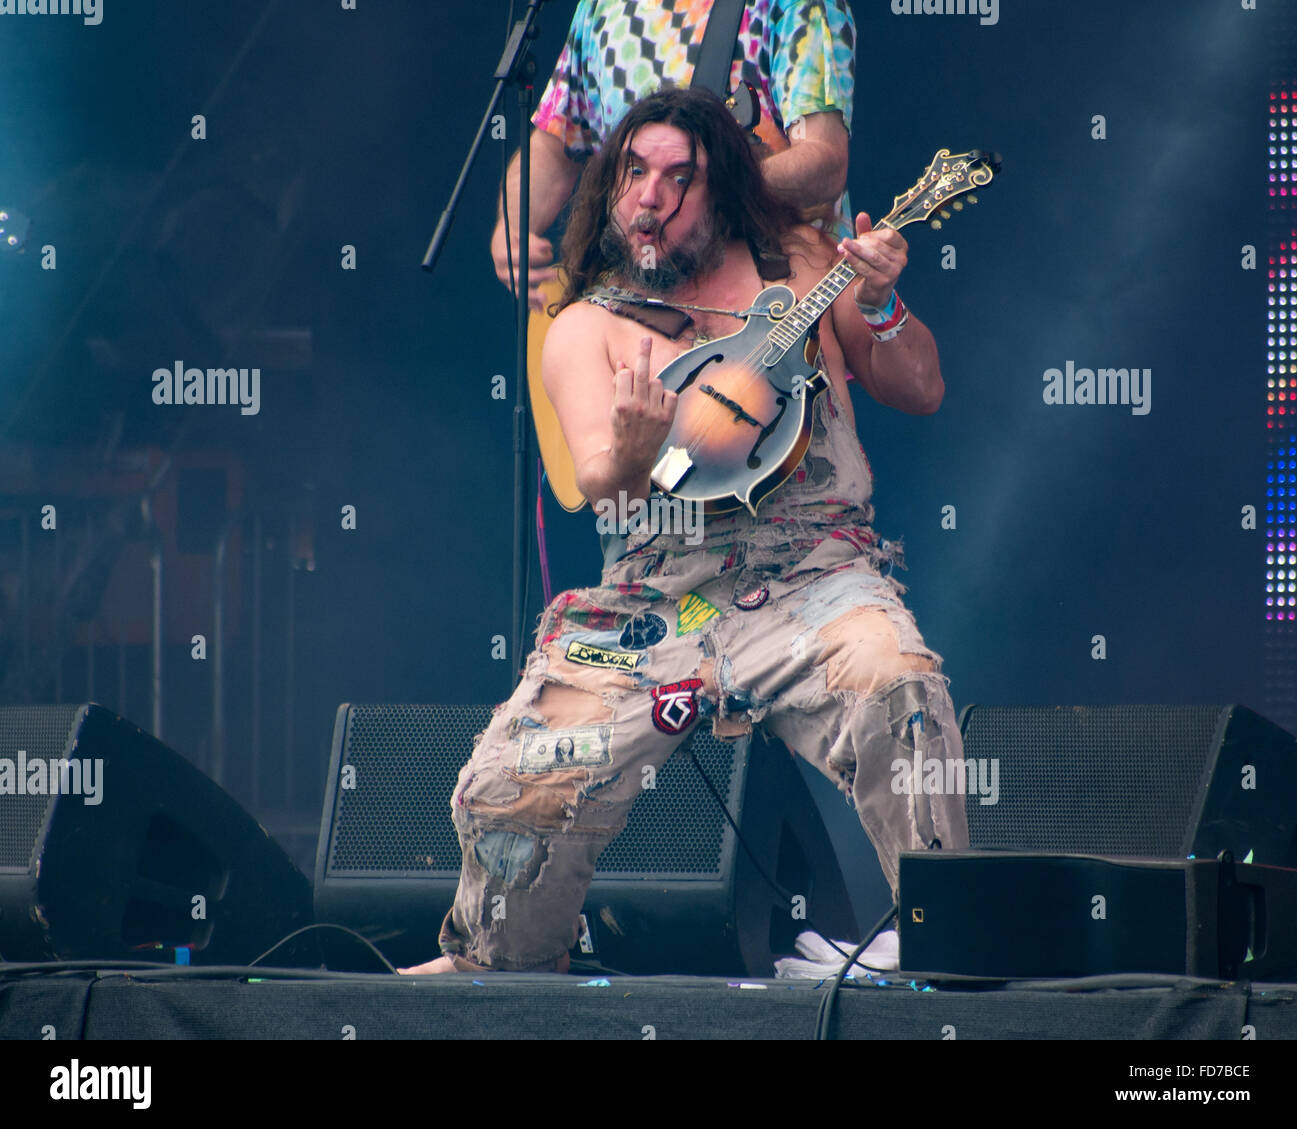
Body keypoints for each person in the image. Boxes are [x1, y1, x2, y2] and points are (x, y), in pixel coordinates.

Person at [399, 87, 970, 975]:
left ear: (725, 188)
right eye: (633, 173)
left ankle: (950, 943)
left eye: (678, 177)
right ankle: (502, 973)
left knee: (897, 683)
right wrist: (628, 453)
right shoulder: (583, 325)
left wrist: (885, 303)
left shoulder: (804, 264)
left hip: (813, 574)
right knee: (512, 782)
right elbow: (597, 476)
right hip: (651, 606)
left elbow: (923, 387)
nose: (649, 198)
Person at [493, 0, 857, 309]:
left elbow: (824, 159)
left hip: (770, 308)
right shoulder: (602, 7)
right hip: (636, 316)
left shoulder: (791, 5)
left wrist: (705, 187)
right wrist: (513, 226)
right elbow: (554, 145)